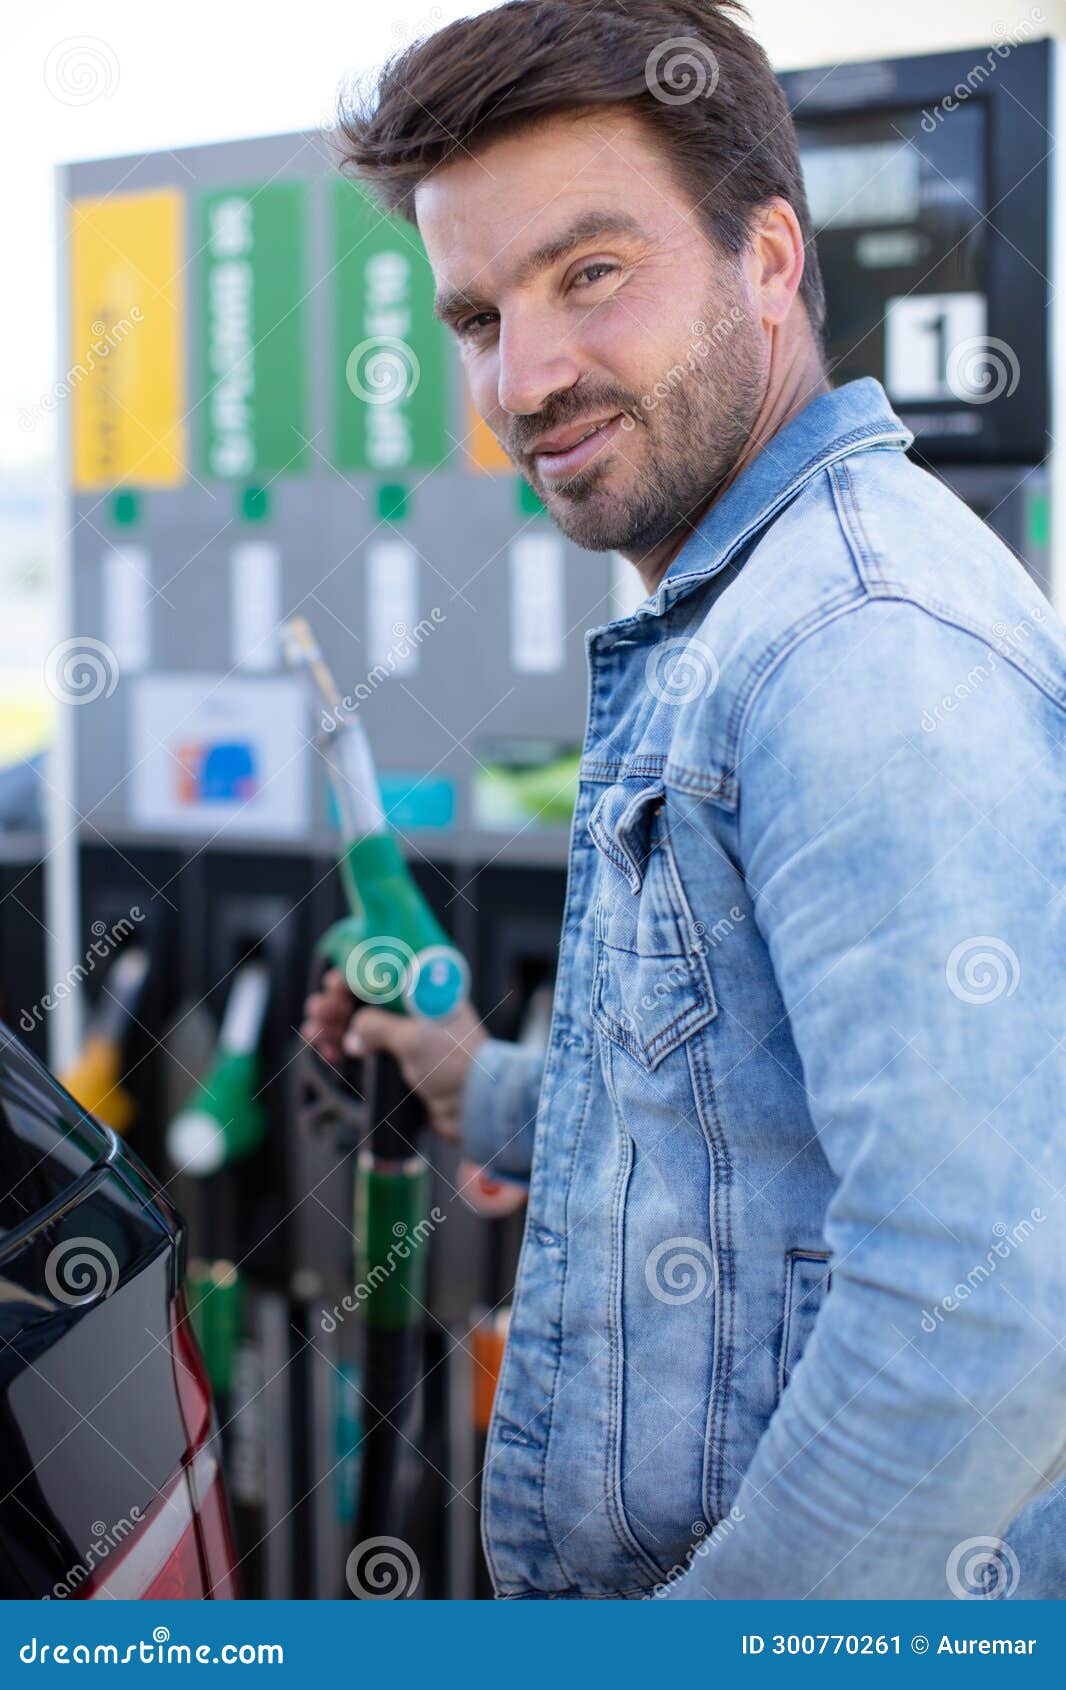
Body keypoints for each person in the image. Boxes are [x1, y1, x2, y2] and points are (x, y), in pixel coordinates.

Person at [303, 0, 1066, 1598]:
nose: (526, 377)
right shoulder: (749, 614)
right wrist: (474, 1082)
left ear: (767, 259)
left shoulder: (853, 643)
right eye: (477, 314)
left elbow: (980, 1313)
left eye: (589, 273)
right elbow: (739, 1128)